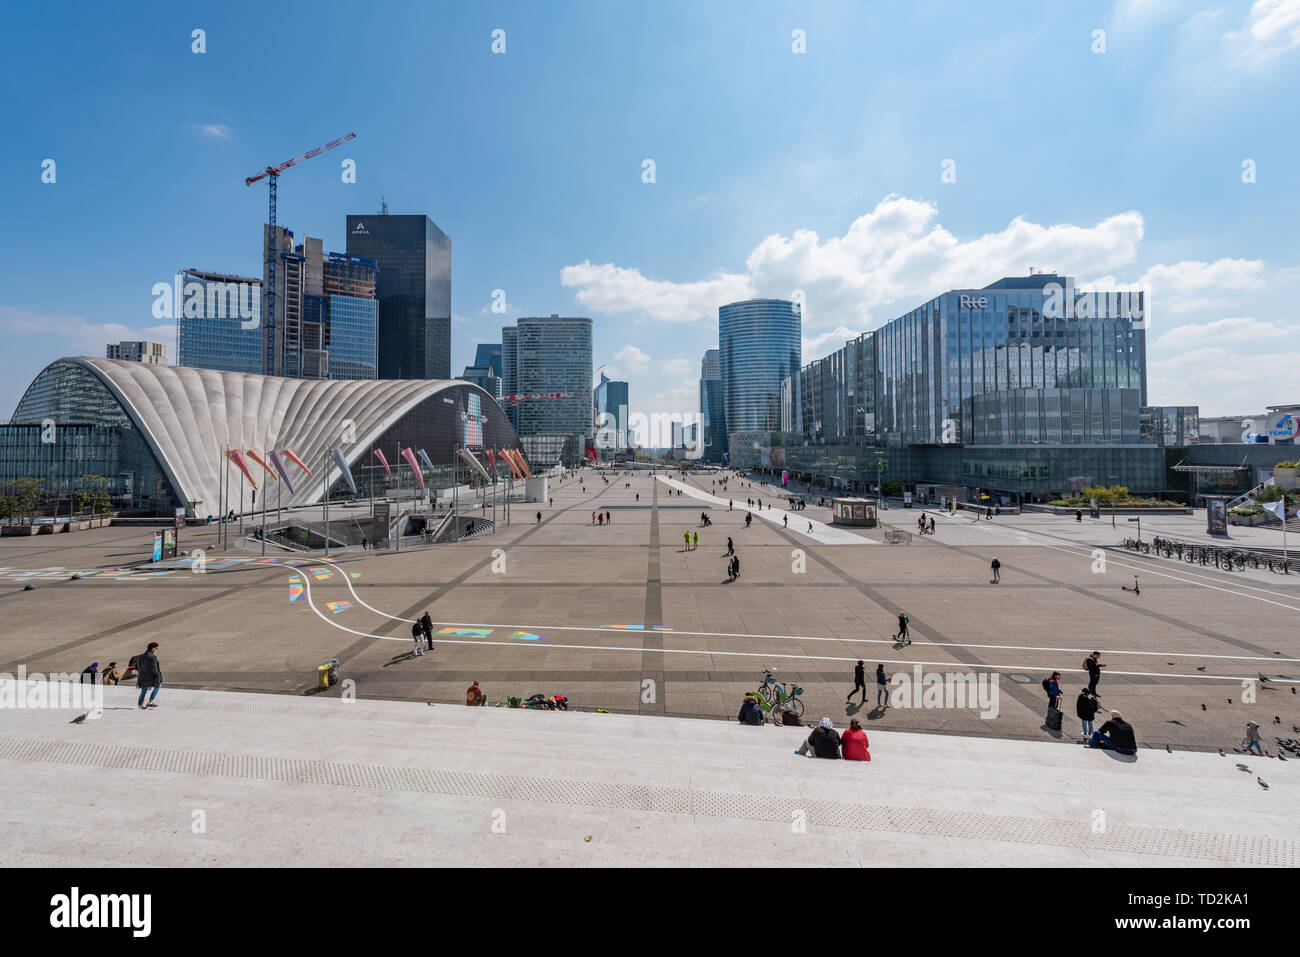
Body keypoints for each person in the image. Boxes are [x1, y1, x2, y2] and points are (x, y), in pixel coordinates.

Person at [136, 642, 162, 710]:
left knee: (143, 691)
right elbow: (153, 668)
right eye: (156, 648)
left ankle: (140, 706)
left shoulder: (140, 656)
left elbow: (137, 666)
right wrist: (157, 675)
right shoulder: (152, 657)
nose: (156, 649)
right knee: (158, 685)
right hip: (151, 676)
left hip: (142, 676)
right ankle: (150, 702)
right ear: (153, 648)